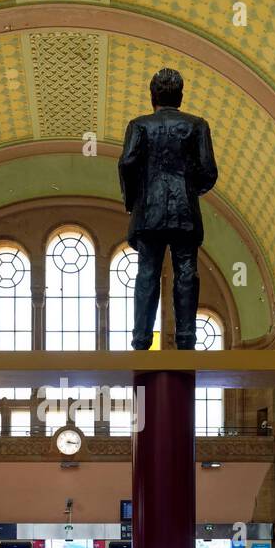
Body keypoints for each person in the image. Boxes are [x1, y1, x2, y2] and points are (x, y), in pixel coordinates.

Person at [118, 67, 219, 349]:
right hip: (185, 211)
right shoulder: (197, 125)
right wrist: (188, 188)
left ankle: (141, 339)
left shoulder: (139, 125)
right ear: (181, 96)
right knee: (186, 270)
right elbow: (209, 171)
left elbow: (127, 163)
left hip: (149, 212)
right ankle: (186, 337)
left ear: (152, 96)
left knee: (147, 271)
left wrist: (135, 199)